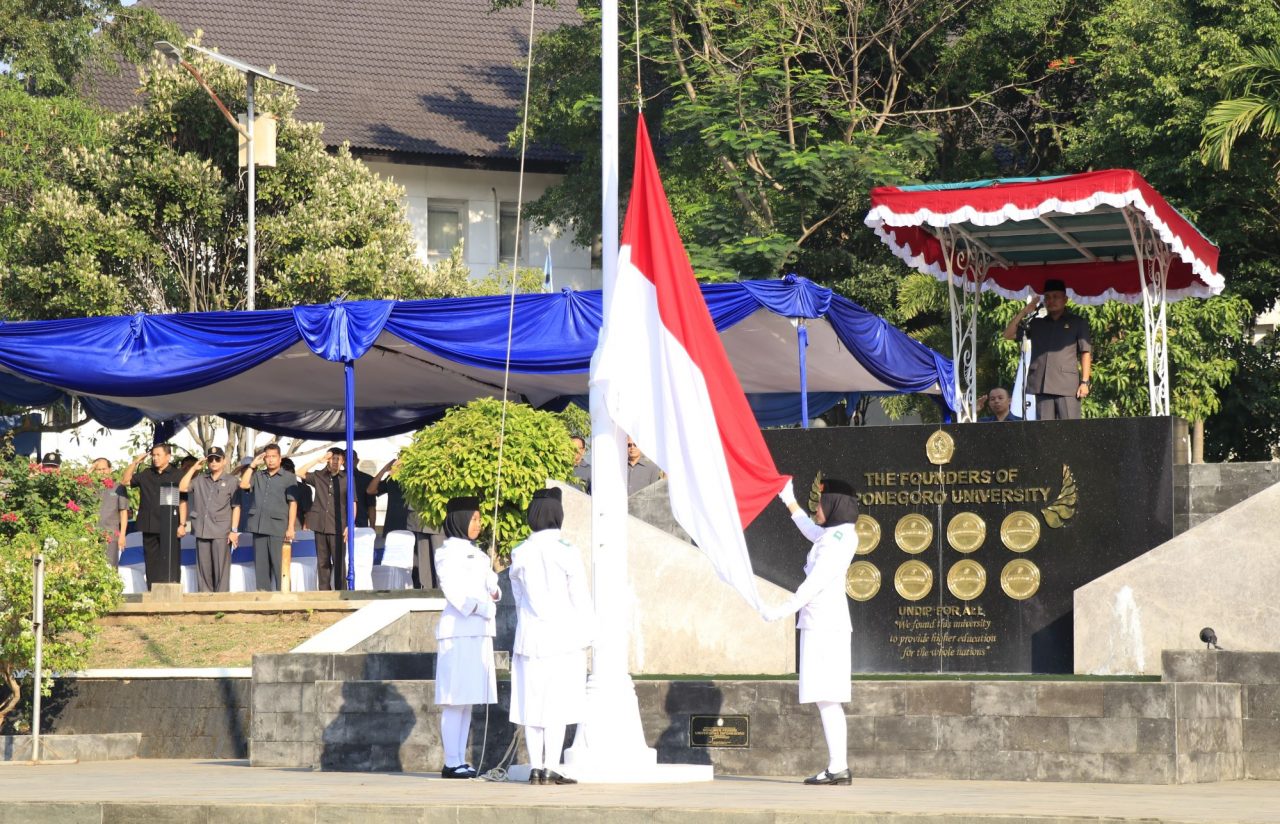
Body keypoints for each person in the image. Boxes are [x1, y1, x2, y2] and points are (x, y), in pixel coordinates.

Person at [762, 477, 860, 786]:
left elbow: (812, 585)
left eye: (821, 503)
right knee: (825, 698)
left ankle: (838, 766)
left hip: (824, 625)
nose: (817, 508)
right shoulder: (837, 534)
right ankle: (837, 766)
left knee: (827, 697)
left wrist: (779, 610)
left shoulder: (838, 541)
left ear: (834, 506)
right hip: (822, 623)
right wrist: (788, 500)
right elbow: (812, 531)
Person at [509, 487, 590, 785]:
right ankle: (551, 766)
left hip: (530, 637)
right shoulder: (568, 550)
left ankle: (535, 766)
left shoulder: (520, 552)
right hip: (562, 639)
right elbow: (579, 597)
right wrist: (588, 634)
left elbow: (518, 599)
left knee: (532, 705)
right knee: (556, 704)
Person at [433, 496, 500, 779]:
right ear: (459, 520)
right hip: (459, 630)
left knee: (468, 699)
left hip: (479, 630)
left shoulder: (480, 554)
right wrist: (480, 606)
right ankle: (451, 761)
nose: (478, 524)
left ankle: (460, 759)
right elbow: (454, 592)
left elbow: (492, 587)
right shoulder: (447, 552)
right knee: (454, 699)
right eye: (473, 519)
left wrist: (494, 591)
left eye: (479, 519)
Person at [1004, 279, 1092, 420]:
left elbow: (1085, 352)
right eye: (1048, 298)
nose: (1051, 301)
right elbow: (1008, 334)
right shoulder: (1037, 323)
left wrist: (1085, 382)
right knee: (1045, 433)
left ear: (1065, 299)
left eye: (1056, 297)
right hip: (1042, 384)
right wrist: (1025, 311)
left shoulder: (1077, 322)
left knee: (1071, 431)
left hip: (1067, 386)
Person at [368, 455, 442, 589]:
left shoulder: (416, 479)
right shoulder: (392, 480)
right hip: (393, 525)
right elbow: (371, 490)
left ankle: (418, 587)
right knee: (395, 562)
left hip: (411, 525)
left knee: (416, 562)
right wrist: (385, 469)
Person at [178, 447, 242, 593]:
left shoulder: (232, 481)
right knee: (203, 570)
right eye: (211, 459)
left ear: (224, 461)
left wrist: (234, 531)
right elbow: (182, 487)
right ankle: (204, 600)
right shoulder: (199, 479)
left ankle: (222, 602)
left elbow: (236, 507)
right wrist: (193, 468)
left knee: (221, 570)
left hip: (222, 531)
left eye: (217, 459)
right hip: (202, 529)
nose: (213, 462)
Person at [122, 444, 185, 588]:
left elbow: (183, 501)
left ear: (168, 456)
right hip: (149, 524)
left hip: (169, 525)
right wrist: (136, 462)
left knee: (170, 561)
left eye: (158, 455)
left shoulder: (177, 474)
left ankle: (171, 590)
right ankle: (152, 591)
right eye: (153, 455)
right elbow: (125, 481)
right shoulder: (146, 473)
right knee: (151, 561)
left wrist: (182, 524)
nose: (155, 458)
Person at [239, 443, 298, 592]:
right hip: (259, 527)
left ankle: (284, 603)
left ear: (280, 458)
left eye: (274, 457)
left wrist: (291, 527)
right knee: (261, 569)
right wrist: (252, 465)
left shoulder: (289, 477)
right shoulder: (258, 475)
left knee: (280, 568)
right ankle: (264, 602)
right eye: (268, 457)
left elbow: (293, 503)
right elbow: (243, 484)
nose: (270, 460)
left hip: (278, 528)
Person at [299, 448, 351, 590]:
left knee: (339, 562)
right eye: (332, 458)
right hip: (320, 524)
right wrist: (318, 459)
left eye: (338, 459)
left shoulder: (347, 478)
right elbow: (300, 472)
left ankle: (342, 593)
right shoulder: (319, 475)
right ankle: (324, 593)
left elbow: (353, 503)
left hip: (338, 525)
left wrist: (350, 526)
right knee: (323, 562)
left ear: (342, 462)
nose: (335, 461)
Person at [90, 457, 129, 567]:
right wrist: (89, 470)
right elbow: (77, 485)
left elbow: (123, 512)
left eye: (104, 469)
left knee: (110, 568)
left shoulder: (119, 487)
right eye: (98, 470)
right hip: (91, 535)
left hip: (111, 536)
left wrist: (122, 535)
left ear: (110, 469)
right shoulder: (88, 488)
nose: (102, 472)